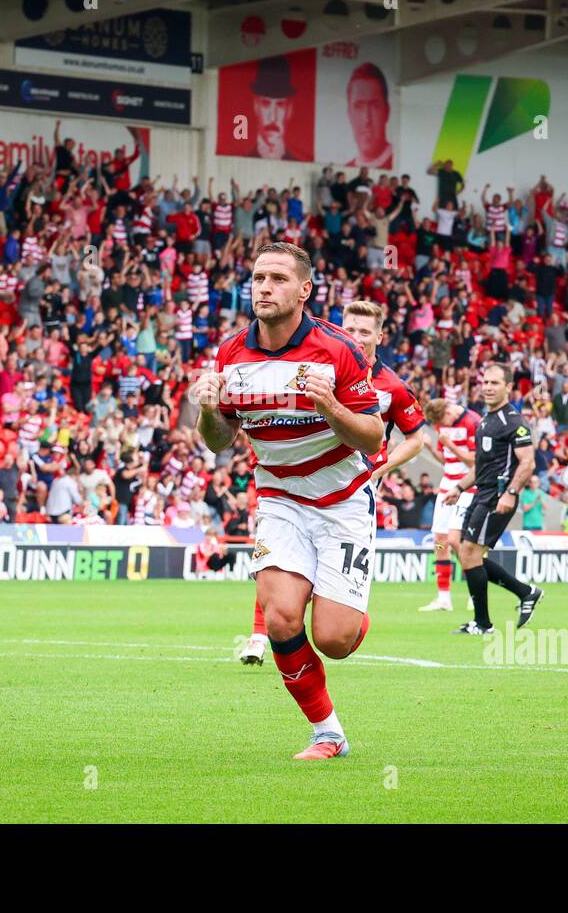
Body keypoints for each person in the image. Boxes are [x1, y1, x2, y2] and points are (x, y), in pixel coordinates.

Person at [193, 242, 383, 760]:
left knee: (336, 639)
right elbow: (218, 439)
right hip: (279, 497)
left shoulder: (338, 348)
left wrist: (331, 406)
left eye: (277, 278)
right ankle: (328, 734)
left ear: (304, 290)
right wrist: (209, 410)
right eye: (258, 278)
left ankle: (348, 607)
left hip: (343, 500)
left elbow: (372, 437)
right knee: (278, 619)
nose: (264, 288)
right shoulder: (231, 353)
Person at [239, 298, 424, 663]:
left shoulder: (392, 386)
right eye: (350, 328)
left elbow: (417, 437)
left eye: (364, 332)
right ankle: (259, 635)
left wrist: (382, 467)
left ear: (379, 336)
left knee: (334, 635)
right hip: (290, 484)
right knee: (276, 565)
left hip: (352, 489)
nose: (354, 336)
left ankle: (345, 616)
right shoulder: (323, 361)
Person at [445, 362, 545, 635]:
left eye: (495, 383)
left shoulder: (513, 422)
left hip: (499, 495)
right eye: (485, 382)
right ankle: (525, 593)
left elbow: (528, 463)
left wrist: (511, 493)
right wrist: (459, 487)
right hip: (482, 492)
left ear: (509, 388)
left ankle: (483, 623)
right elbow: (480, 466)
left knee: (469, 552)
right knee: (466, 552)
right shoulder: (485, 421)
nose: (487, 387)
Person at [418, 397, 481, 613]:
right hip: (446, 486)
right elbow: (446, 459)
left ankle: (475, 592)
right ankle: (444, 597)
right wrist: (430, 446)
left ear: (447, 410)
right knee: (440, 542)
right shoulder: (440, 422)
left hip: (468, 487)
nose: (442, 426)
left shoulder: (472, 422)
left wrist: (450, 444)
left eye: (443, 420)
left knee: (455, 542)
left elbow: (474, 462)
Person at [247, 56, 307, 161]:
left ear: (289, 110)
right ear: (256, 106)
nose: (272, 117)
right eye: (266, 103)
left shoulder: (295, 161)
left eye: (280, 105)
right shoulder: (247, 159)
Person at [344, 63, 393, 169]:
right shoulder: (345, 169)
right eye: (358, 106)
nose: (367, 119)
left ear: (387, 111)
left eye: (374, 106)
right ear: (349, 114)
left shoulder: (400, 161)